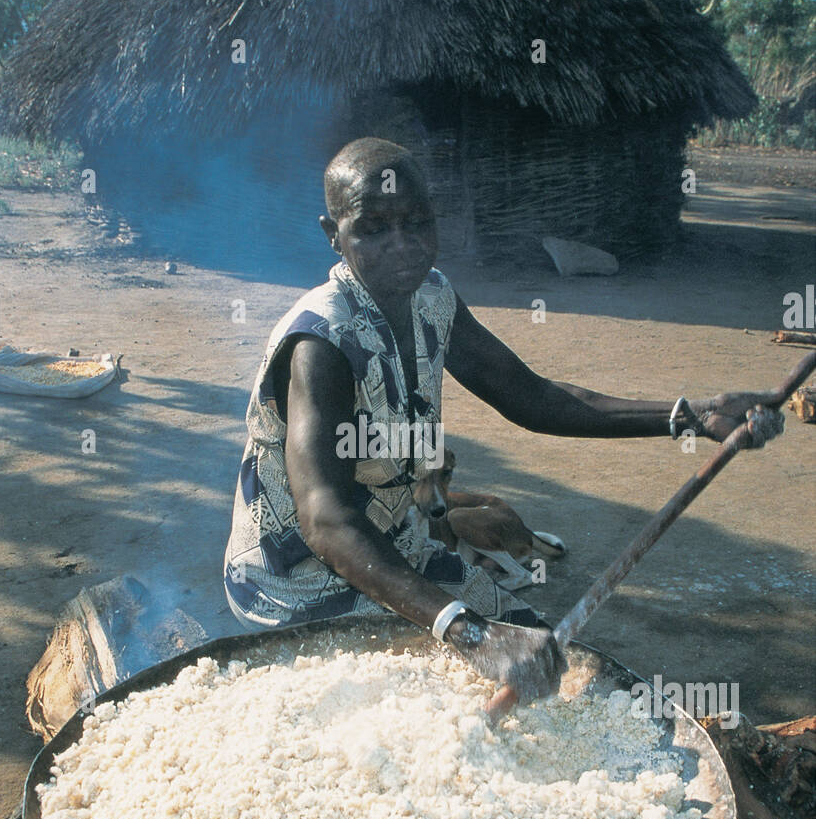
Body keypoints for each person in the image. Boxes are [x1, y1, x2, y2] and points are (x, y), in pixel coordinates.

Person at [224, 136, 782, 700]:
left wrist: (693, 415)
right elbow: (327, 521)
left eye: (418, 222)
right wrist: (465, 631)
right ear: (333, 235)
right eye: (373, 228)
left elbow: (530, 396)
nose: (403, 244)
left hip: (396, 550)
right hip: (298, 579)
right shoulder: (320, 343)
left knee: (542, 656)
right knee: (435, 696)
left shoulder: (431, 299)